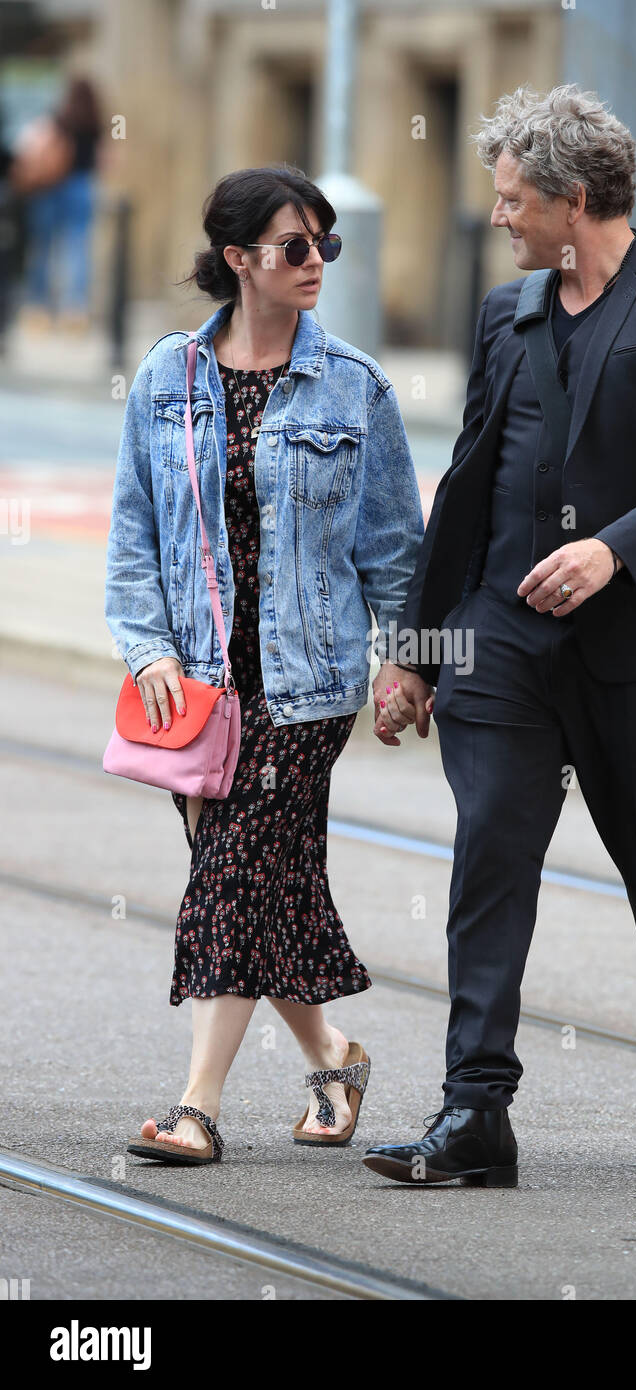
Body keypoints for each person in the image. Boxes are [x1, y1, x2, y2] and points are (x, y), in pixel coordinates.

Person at [363, 83, 636, 1186]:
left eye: (514, 199)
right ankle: (475, 1114)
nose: (499, 216)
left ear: (570, 199)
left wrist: (611, 549)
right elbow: (467, 484)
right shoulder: (506, 316)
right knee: (489, 859)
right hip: (503, 640)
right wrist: (418, 647)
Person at [105, 164, 426, 1163]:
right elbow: (134, 536)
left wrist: (403, 663)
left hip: (306, 683)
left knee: (234, 876)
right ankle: (335, 1057)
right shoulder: (167, 379)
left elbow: (394, 547)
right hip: (198, 690)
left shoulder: (353, 386)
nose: (316, 262)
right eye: (295, 247)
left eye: (325, 244)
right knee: (265, 886)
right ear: (238, 260)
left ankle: (196, 1108)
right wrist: (149, 647)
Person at [13, 77, 104, 332]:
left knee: (43, 247)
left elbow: (37, 144)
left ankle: (37, 310)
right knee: (78, 248)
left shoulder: (60, 117)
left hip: (51, 187)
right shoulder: (95, 121)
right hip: (82, 187)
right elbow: (105, 159)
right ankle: (75, 312)